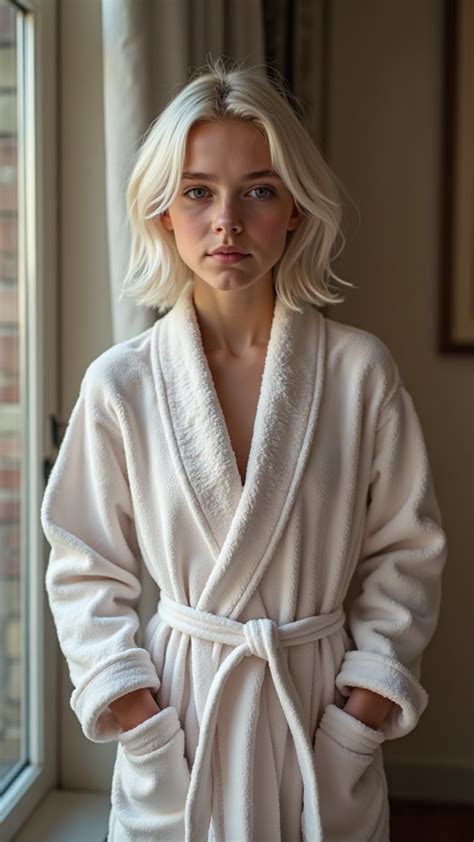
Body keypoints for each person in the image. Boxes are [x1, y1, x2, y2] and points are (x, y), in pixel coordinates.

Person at [40, 55, 447, 842]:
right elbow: (83, 561)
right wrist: (139, 717)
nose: (226, 221)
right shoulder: (121, 383)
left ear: (294, 209)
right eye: (198, 191)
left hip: (315, 710)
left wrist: (358, 716)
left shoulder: (358, 371)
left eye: (258, 190)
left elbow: (409, 551)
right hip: (184, 714)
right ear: (163, 211)